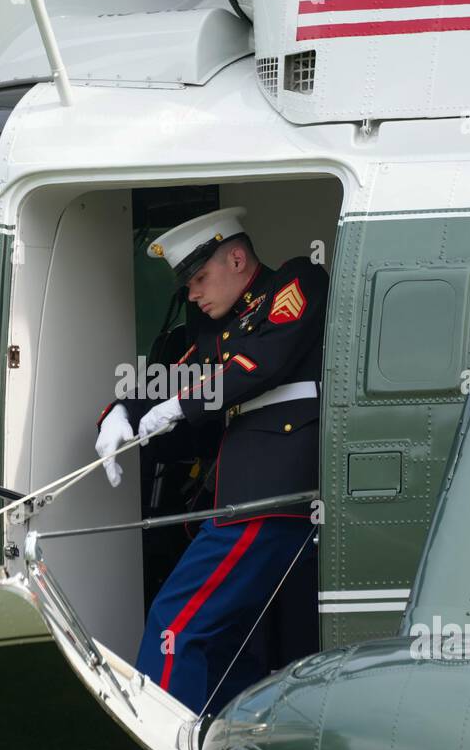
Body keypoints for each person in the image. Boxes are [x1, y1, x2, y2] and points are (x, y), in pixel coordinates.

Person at [95, 206, 325, 715]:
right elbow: (171, 378)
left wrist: (182, 404)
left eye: (199, 278)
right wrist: (120, 413)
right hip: (252, 499)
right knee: (239, 645)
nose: (193, 294)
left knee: (175, 625)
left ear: (237, 258)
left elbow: (259, 363)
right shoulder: (212, 328)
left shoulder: (296, 283)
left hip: (269, 496)